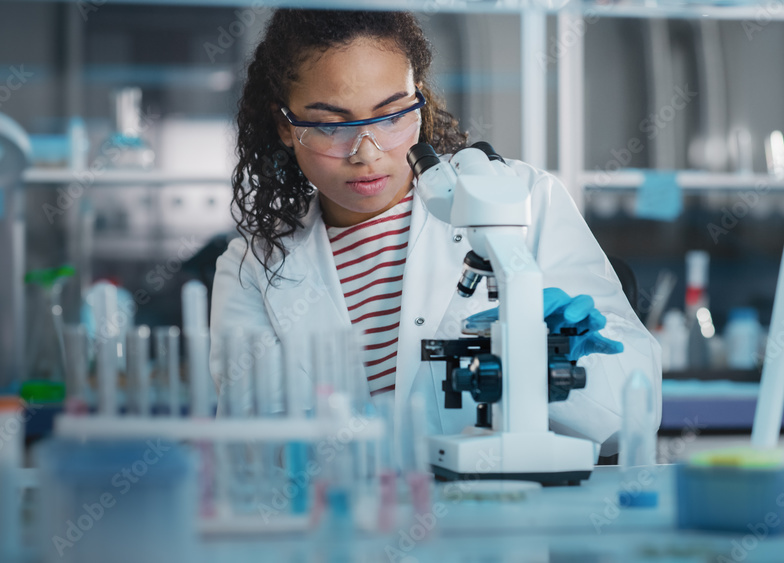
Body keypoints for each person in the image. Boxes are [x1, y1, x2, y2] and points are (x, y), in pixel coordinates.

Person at [210, 9, 661, 461]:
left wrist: (559, 364)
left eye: (391, 116)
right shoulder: (254, 270)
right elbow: (257, 449)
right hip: (351, 521)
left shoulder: (521, 199)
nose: (367, 152)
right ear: (287, 126)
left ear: (418, 101)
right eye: (331, 124)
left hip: (511, 511)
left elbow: (633, 415)